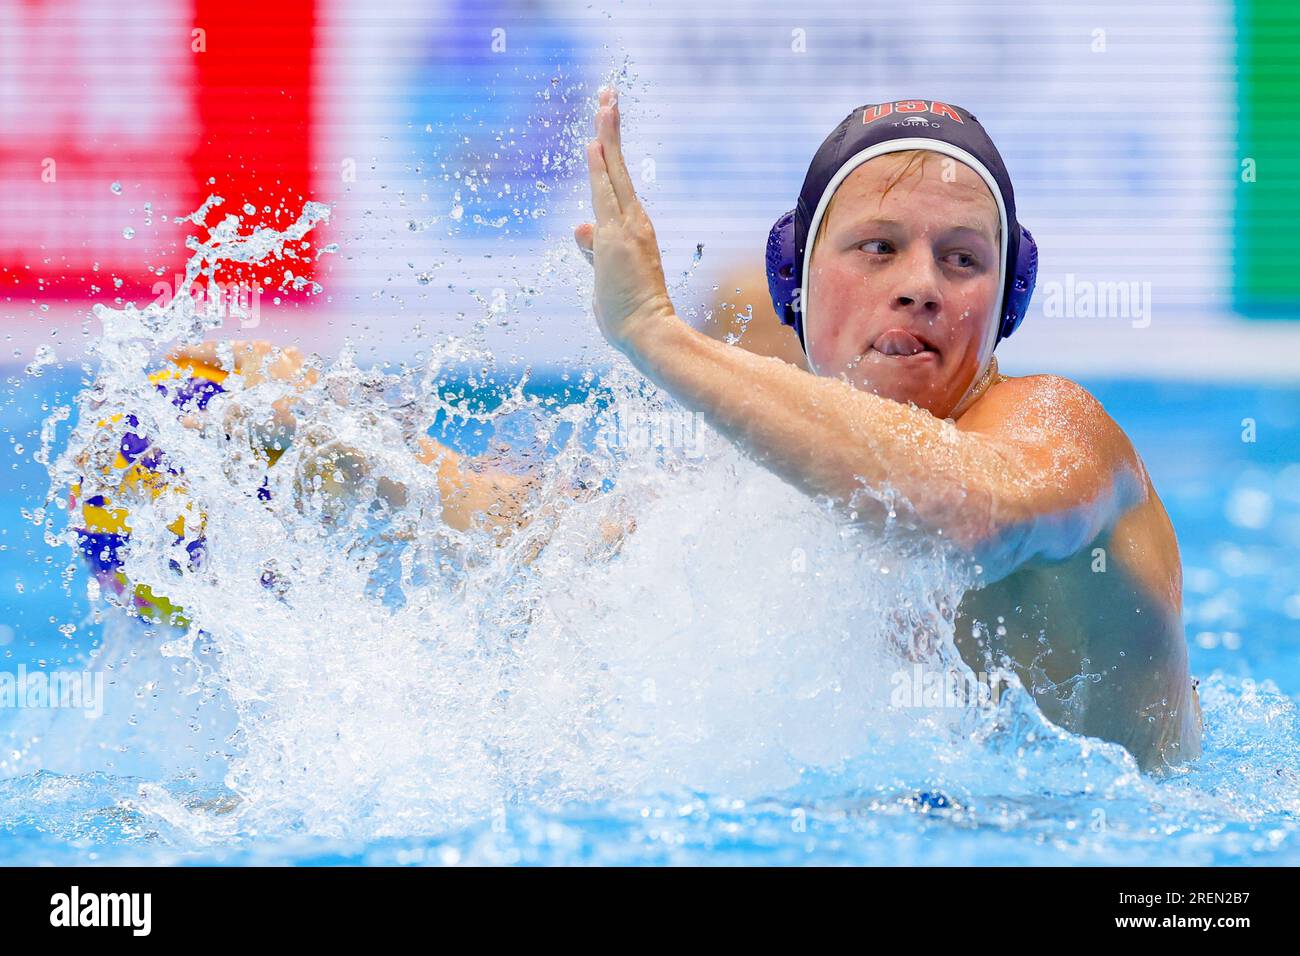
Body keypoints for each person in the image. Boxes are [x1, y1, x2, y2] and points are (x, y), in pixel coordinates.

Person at [567, 90, 1200, 771]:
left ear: (1008, 298)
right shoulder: (771, 480)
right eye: (879, 246)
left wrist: (654, 335)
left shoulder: (1062, 427)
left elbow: (973, 517)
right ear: (794, 281)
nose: (921, 285)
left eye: (962, 259)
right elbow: (559, 533)